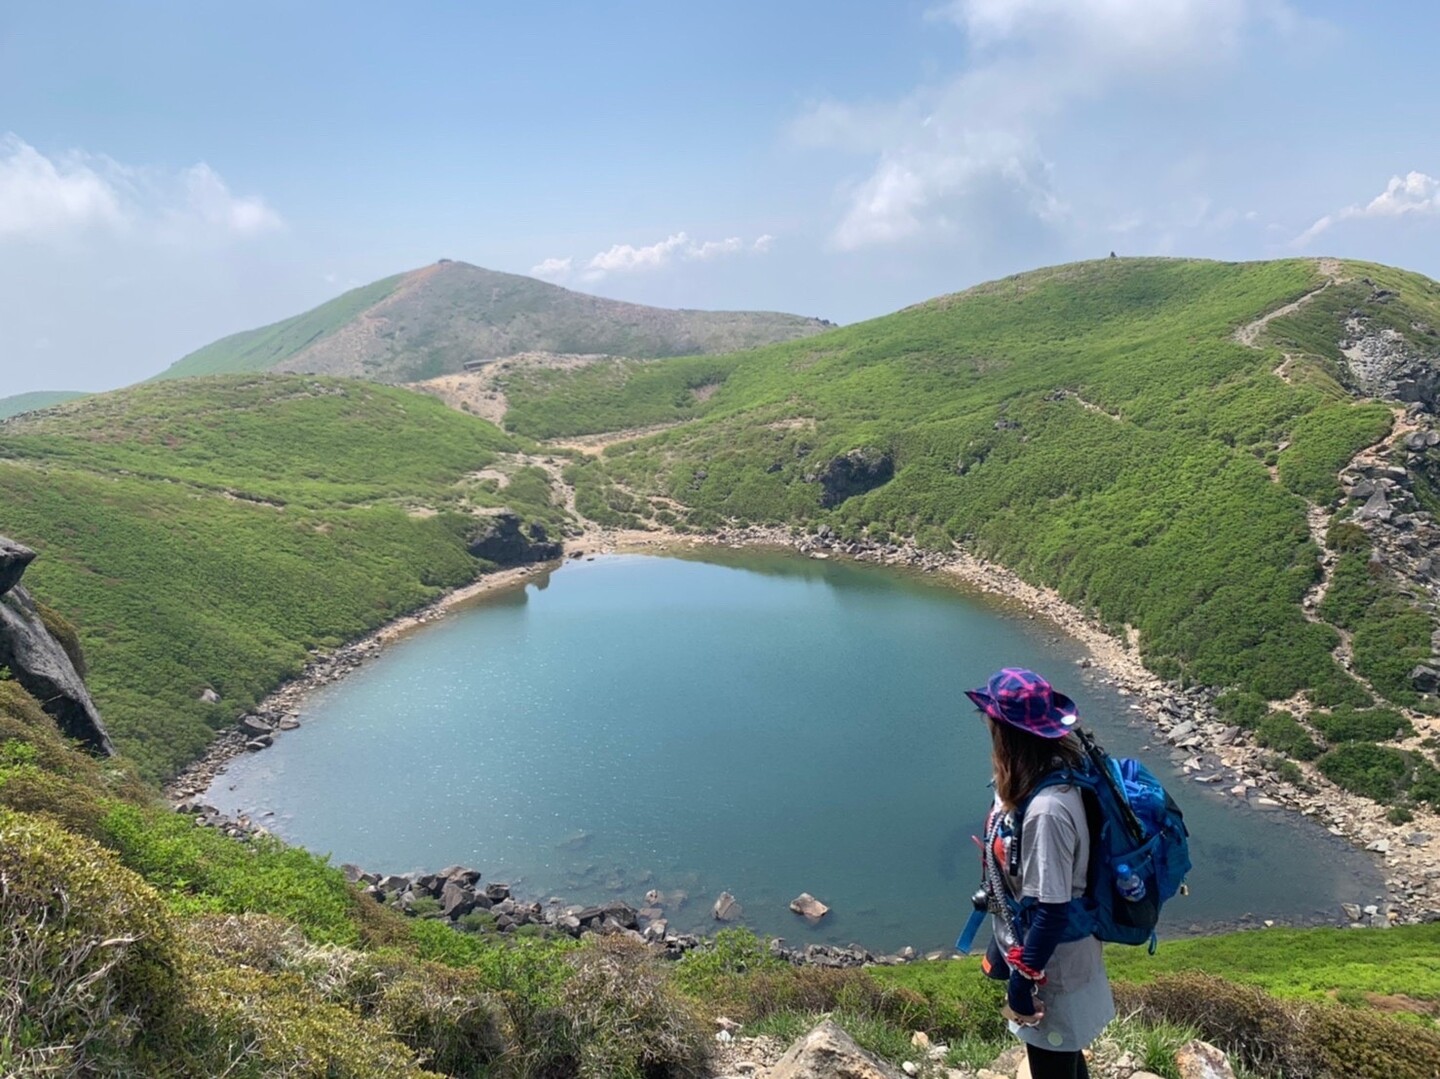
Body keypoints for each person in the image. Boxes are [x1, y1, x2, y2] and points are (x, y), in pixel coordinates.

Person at [965, 668, 1115, 1079]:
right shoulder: (1037, 780)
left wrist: (1023, 985)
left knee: (1052, 1065)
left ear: (1007, 733)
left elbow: (1051, 909)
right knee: (1065, 1058)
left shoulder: (1049, 809)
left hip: (1053, 968)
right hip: (1046, 955)